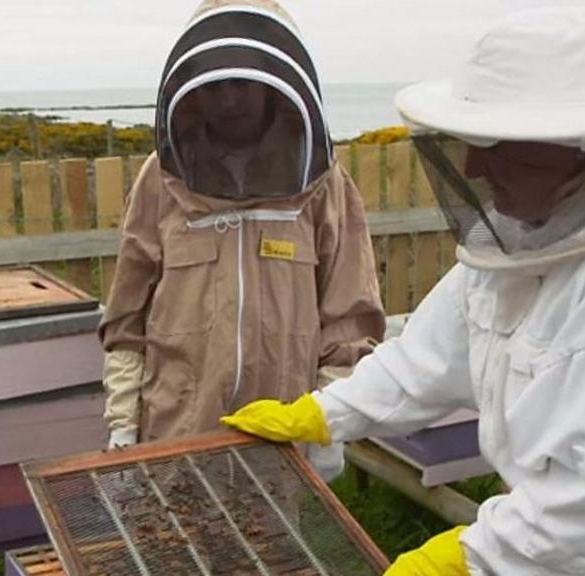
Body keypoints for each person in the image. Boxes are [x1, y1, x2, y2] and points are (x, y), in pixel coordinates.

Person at [223, 7, 585, 575]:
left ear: (576, 145)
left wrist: (456, 561)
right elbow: (423, 361)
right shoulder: (520, 241)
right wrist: (322, 413)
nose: (472, 165)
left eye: (500, 144)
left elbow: (573, 513)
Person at [99, 0, 386, 479]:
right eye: (213, 85)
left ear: (276, 80)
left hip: (279, 439)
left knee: (271, 553)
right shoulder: (160, 178)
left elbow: (349, 320)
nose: (228, 100)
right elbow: (127, 317)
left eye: (242, 83)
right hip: (174, 434)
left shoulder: (323, 183)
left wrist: (330, 423)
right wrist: (123, 423)